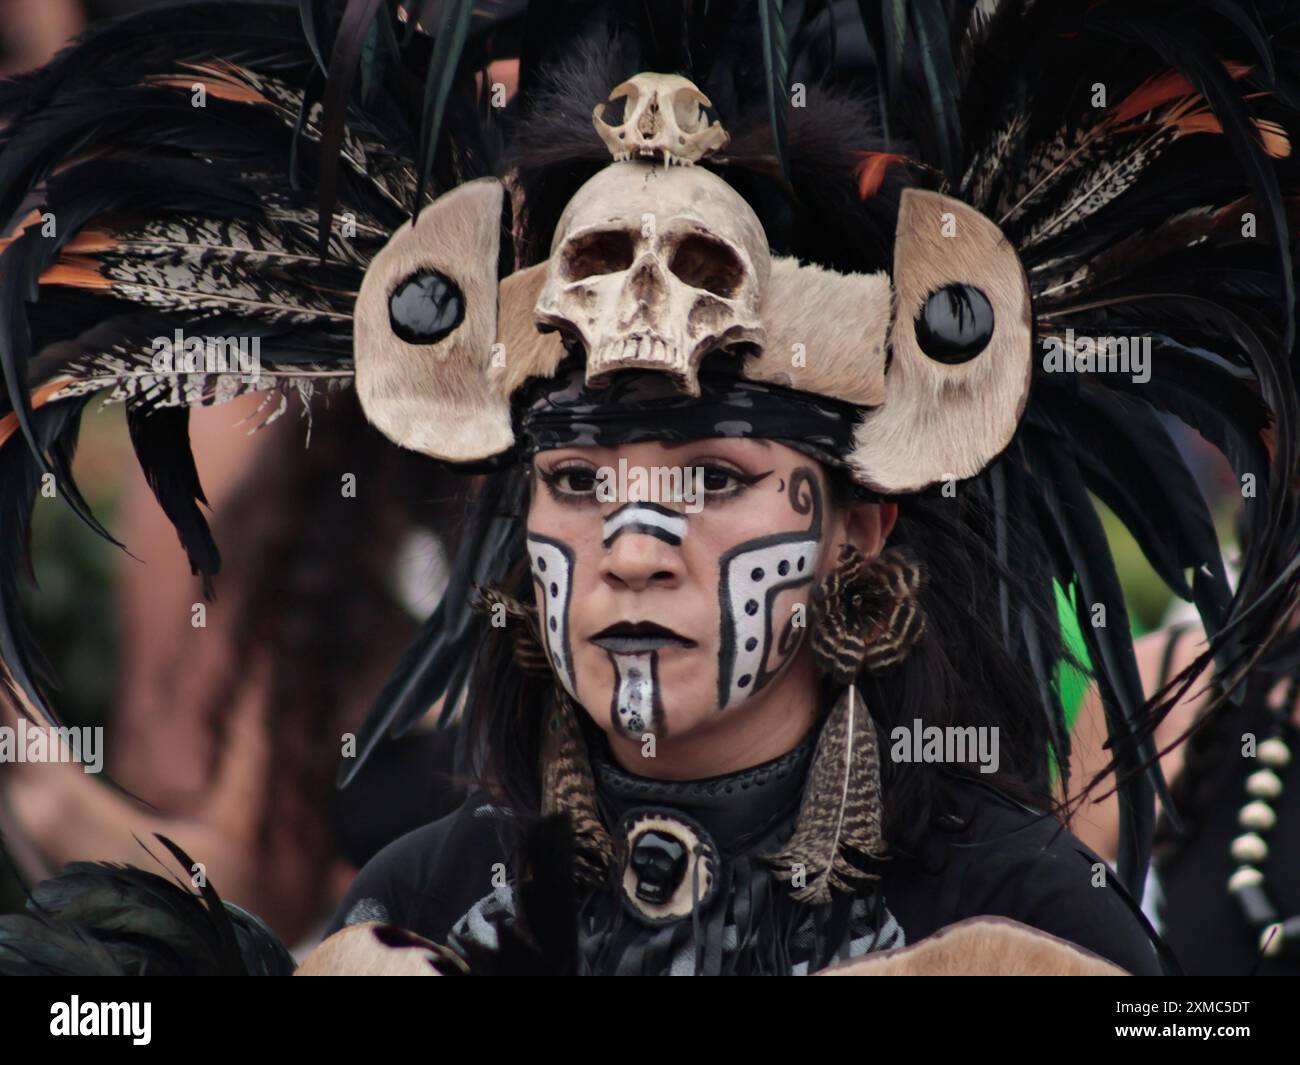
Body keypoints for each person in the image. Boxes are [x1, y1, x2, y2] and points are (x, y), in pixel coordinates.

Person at [0, 0, 1296, 977]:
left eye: (717, 477)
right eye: (574, 479)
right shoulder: (428, 898)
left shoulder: (1016, 905)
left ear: (859, 528)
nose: (633, 542)